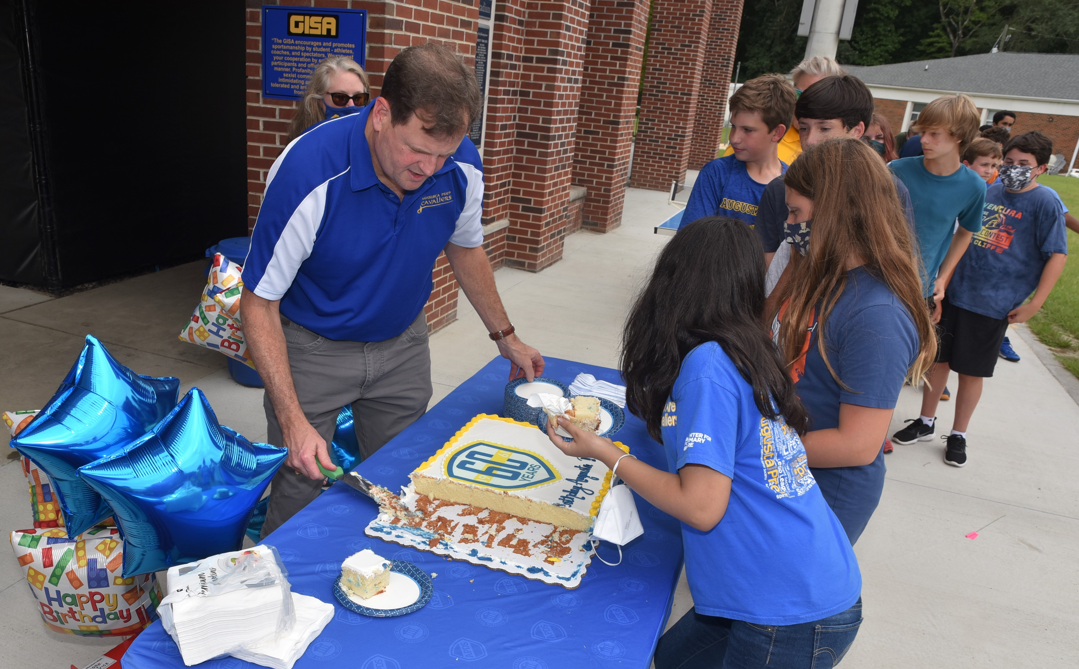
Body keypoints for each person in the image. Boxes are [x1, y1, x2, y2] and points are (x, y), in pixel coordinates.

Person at [242, 44, 544, 538]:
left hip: (402, 345)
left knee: (400, 478)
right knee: (301, 488)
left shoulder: (460, 165)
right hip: (311, 350)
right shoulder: (307, 172)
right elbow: (258, 301)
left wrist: (504, 335)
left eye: (443, 153)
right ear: (380, 113)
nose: (429, 169)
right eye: (418, 150)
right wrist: (291, 418)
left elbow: (466, 249)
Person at [547, 217, 863, 668]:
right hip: (782, 586)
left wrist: (605, 452)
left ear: (674, 281)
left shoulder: (708, 366)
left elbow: (700, 506)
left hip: (789, 607)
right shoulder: (738, 347)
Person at [771, 138, 936, 544]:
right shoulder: (828, 279)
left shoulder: (877, 315)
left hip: (824, 498)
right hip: (788, 471)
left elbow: (858, 444)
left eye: (796, 212)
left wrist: (750, 451)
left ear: (836, 213)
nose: (788, 225)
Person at [893, 132, 1067, 467]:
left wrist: (1035, 303)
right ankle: (926, 421)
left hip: (993, 302)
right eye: (1009, 162)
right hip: (956, 292)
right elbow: (960, 236)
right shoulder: (987, 190)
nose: (1013, 169)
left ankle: (959, 434)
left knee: (971, 372)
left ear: (1041, 169)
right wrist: (940, 287)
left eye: (1024, 165)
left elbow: (1057, 254)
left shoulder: (1046, 202)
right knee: (937, 361)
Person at [755, 75, 914, 296]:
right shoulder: (779, 190)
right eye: (803, 128)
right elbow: (769, 270)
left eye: (824, 128)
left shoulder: (890, 192)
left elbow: (901, 267)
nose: (810, 140)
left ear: (857, 131)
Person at [889, 94, 986, 325]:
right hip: (877, 278)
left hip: (919, 288)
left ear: (959, 136)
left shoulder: (974, 186)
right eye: (923, 132)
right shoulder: (895, 170)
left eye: (934, 134)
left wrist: (942, 278)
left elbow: (965, 231)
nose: (924, 140)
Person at [680, 74, 796, 229]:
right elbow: (691, 238)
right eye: (733, 126)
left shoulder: (793, 186)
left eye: (747, 130)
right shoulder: (716, 173)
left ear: (777, 133)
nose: (734, 138)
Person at [721, 56, 846, 164]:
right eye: (798, 94)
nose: (802, 104)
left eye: (815, 98)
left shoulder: (844, 151)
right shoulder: (765, 136)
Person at [285, 56, 371, 144]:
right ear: (319, 99)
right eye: (341, 98)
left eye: (358, 98)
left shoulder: (373, 147)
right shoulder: (300, 146)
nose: (351, 105)